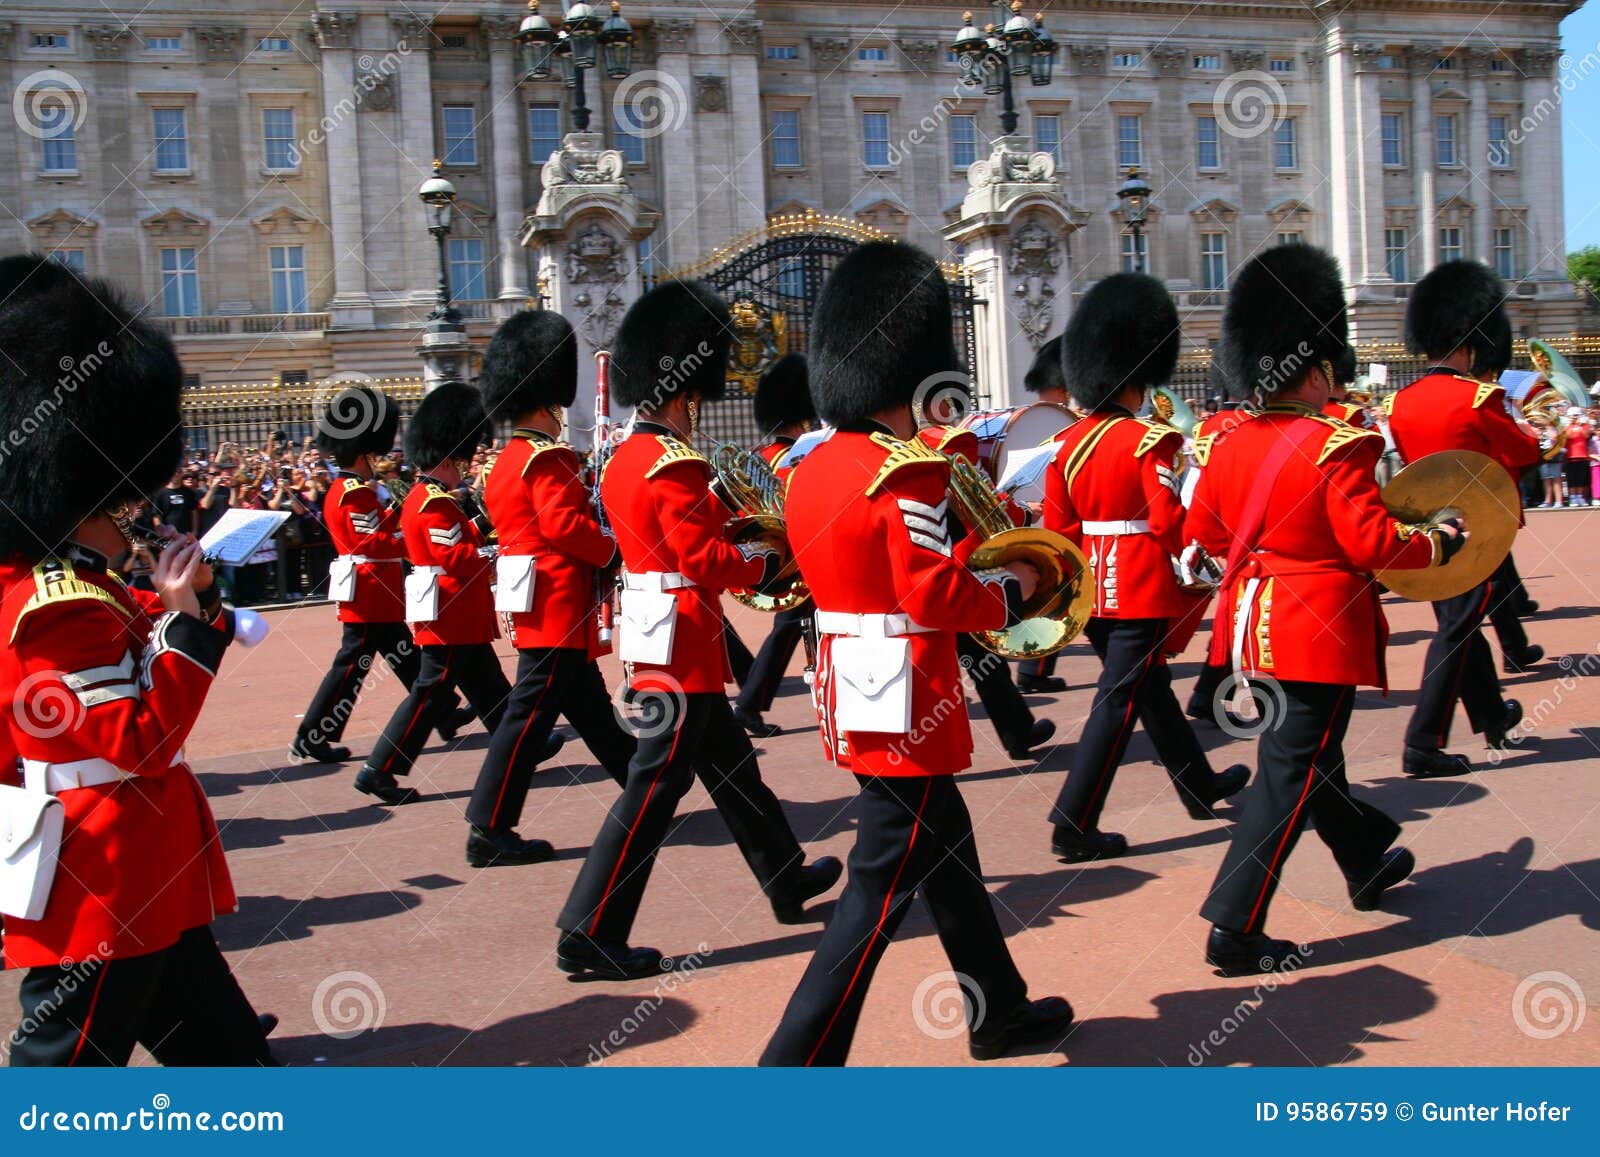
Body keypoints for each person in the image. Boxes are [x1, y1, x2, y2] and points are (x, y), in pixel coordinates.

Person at [761, 242, 1073, 1066]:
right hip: (906, 695)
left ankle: (996, 1008)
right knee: (876, 887)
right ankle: (792, 1063)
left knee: (947, 853)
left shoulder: (816, 469)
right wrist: (1013, 589)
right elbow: (933, 593)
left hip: (854, 686)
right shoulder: (904, 473)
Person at [0, 254, 272, 1065]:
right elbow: (139, 737)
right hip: (101, 882)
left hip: (139, 876)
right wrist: (186, 633)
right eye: (118, 495)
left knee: (231, 1063)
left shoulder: (68, 584)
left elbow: (133, 628)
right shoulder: (56, 604)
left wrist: (187, 608)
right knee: (62, 1083)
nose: (132, 511)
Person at [554, 281, 841, 980]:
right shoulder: (672, 461)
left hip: (664, 636)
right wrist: (768, 555)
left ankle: (785, 874)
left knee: (734, 769)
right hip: (681, 641)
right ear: (685, 396)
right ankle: (589, 929)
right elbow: (704, 560)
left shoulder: (624, 459)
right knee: (653, 791)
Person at [1186, 244, 1459, 974]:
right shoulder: (1337, 445)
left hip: (1253, 624)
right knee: (1290, 771)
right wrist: (1435, 543)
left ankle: (1365, 858)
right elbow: (1371, 541)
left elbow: (1207, 533)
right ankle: (1234, 925)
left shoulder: (1228, 444)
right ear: (1314, 370)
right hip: (1316, 627)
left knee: (1313, 758)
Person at [1041, 273, 1248, 862]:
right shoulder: (1145, 440)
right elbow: (1164, 521)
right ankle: (1073, 820)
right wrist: (1198, 548)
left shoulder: (1067, 444)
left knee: (1149, 688)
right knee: (1118, 702)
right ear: (1136, 376)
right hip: (1138, 583)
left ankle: (1197, 782)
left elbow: (1059, 530)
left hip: (1093, 589)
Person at [464, 309, 636, 868]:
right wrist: (612, 547)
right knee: (526, 719)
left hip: (537, 598)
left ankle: (643, 785)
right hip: (558, 600)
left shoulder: (507, 462)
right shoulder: (548, 458)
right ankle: (488, 827)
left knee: (587, 703)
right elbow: (565, 528)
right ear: (547, 403)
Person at [1386, 261, 1540, 777]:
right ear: (1468, 341)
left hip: (1431, 531)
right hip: (1479, 531)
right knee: (1456, 632)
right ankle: (1421, 742)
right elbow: (1521, 452)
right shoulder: (1479, 397)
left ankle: (1493, 716)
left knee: (1461, 624)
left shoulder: (1401, 403)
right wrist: (1533, 427)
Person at [288, 385, 467, 764]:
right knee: (352, 667)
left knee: (408, 658)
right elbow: (372, 545)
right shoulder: (354, 492)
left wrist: (394, 516)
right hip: (369, 593)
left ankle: (444, 712)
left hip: (376, 593)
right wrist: (409, 537)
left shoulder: (351, 490)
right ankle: (311, 736)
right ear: (363, 453)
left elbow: (369, 535)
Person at [354, 382, 512, 806]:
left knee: (490, 685)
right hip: (451, 613)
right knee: (430, 694)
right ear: (448, 458)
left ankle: (521, 741)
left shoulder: (428, 498)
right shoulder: (433, 502)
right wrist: (496, 555)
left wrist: (484, 524)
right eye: (461, 459)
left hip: (456, 614)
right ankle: (379, 768)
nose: (464, 467)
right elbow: (458, 558)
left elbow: (457, 543)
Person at [917, 421, 1057, 761]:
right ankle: (1012, 734)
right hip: (950, 564)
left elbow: (978, 499)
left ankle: (1018, 733)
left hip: (941, 563)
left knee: (980, 657)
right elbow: (980, 502)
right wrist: (1022, 513)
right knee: (964, 658)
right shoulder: (947, 442)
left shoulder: (924, 444)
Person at [732, 353, 819, 738]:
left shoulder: (761, 456)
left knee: (797, 628)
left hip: (776, 559)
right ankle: (749, 704)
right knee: (789, 629)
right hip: (800, 559)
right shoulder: (799, 455)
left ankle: (752, 702)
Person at [1016, 336, 1069, 694]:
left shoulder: (1026, 419)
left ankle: (1034, 669)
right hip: (1059, 516)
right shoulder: (1066, 424)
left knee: (1056, 592)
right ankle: (1032, 669)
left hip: (1040, 516)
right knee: (1062, 592)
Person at [1564, 406, 1593, 505]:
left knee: (1581, 478)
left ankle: (1580, 496)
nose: (1575, 418)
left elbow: (1586, 435)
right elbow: (1567, 436)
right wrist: (1572, 425)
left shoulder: (1584, 425)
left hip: (1583, 455)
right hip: (1570, 456)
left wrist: (1580, 425)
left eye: (1576, 415)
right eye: (1573, 416)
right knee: (1572, 478)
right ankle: (1573, 497)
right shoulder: (1567, 426)